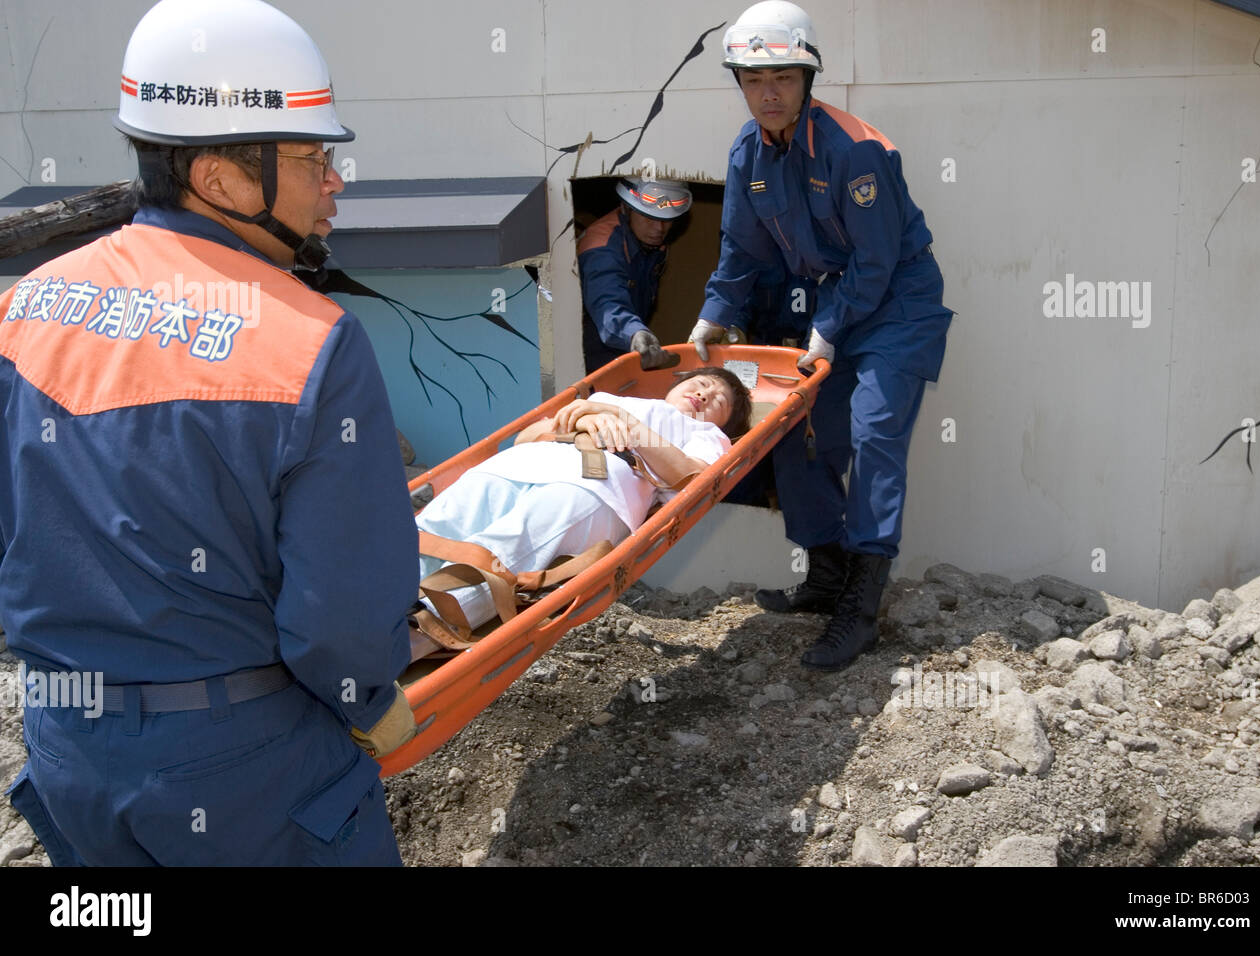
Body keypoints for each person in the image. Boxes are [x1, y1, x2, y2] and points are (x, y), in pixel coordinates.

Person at [0, 0, 417, 865]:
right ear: (224, 179)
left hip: (68, 749)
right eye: (313, 157)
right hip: (240, 771)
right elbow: (336, 615)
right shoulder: (308, 343)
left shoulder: (26, 306)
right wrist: (371, 698)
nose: (335, 179)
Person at [689, 1, 953, 671]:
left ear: (807, 77)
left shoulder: (853, 150)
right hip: (836, 304)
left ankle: (860, 611)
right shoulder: (749, 152)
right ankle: (827, 577)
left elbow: (877, 260)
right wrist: (712, 313)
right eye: (753, 80)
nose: (767, 93)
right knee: (795, 435)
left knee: (873, 435)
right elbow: (741, 252)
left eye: (781, 77)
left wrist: (828, 330)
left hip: (895, 305)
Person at [415, 368, 751, 631]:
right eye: (702, 383)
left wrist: (630, 427)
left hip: (597, 485)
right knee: (434, 530)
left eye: (719, 401)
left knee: (503, 552)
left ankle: (417, 630)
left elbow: (693, 481)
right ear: (678, 384)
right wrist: (589, 417)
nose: (705, 394)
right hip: (518, 464)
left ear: (724, 423)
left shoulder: (705, 435)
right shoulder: (609, 398)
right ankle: (373, 601)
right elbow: (524, 437)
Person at [580, 177, 693, 373]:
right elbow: (608, 303)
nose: (659, 229)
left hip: (626, 346)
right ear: (626, 208)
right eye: (649, 218)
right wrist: (634, 333)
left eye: (667, 220)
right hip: (591, 352)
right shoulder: (601, 249)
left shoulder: (652, 243)